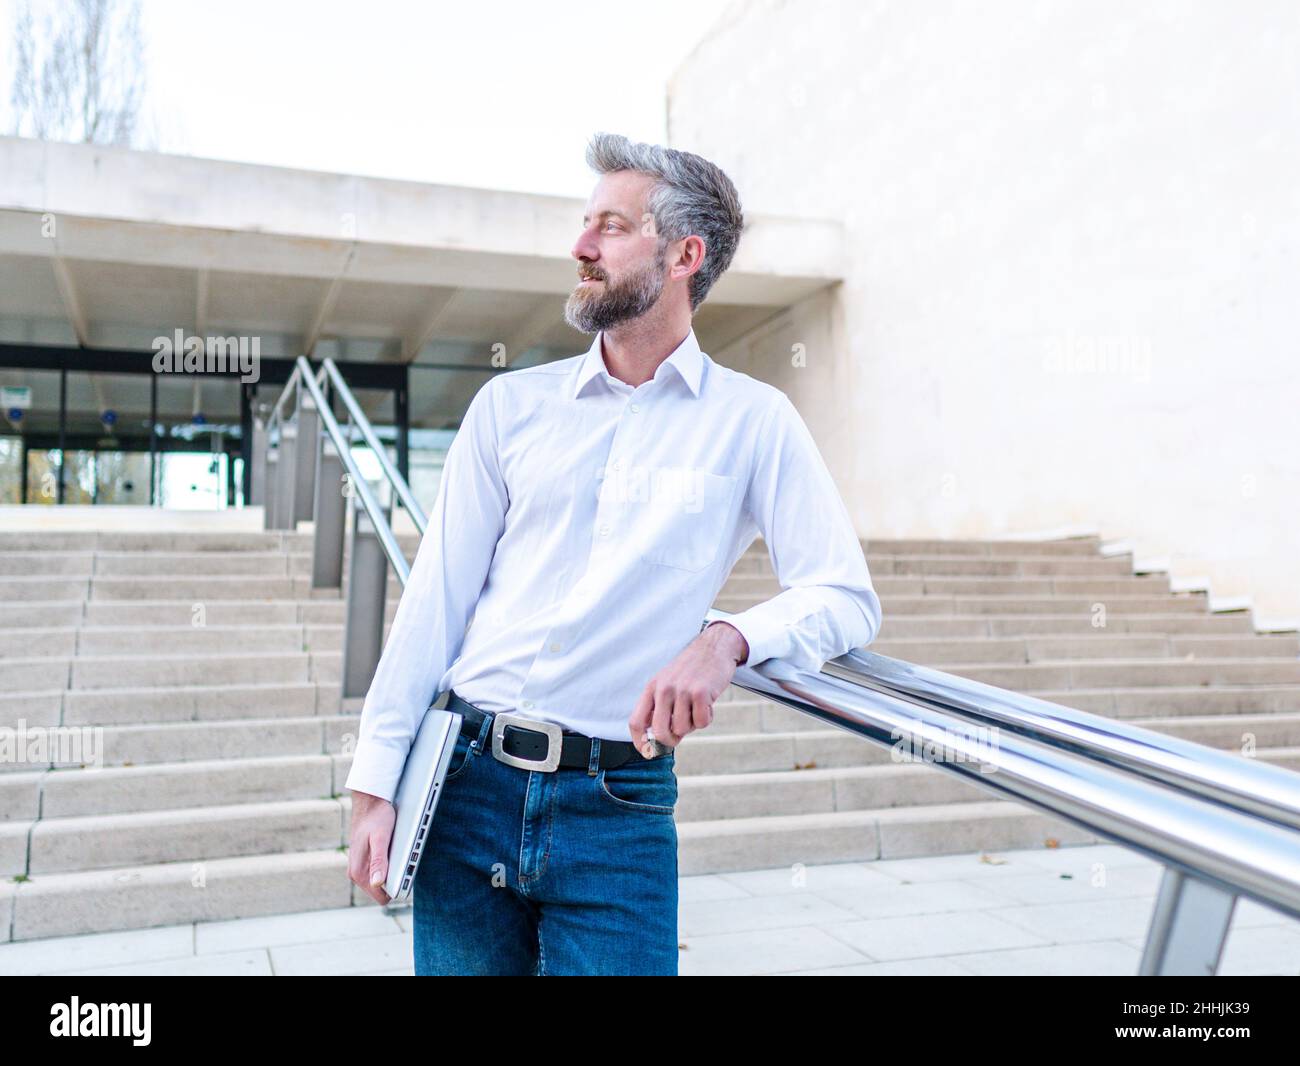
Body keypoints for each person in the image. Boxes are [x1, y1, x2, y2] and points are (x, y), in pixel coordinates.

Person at [344, 132, 882, 975]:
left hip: (616, 808)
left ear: (683, 255)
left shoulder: (753, 422)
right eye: (585, 224)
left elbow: (844, 595)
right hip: (464, 790)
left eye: (611, 226)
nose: (581, 247)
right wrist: (376, 783)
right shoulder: (509, 408)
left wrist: (725, 641)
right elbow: (434, 602)